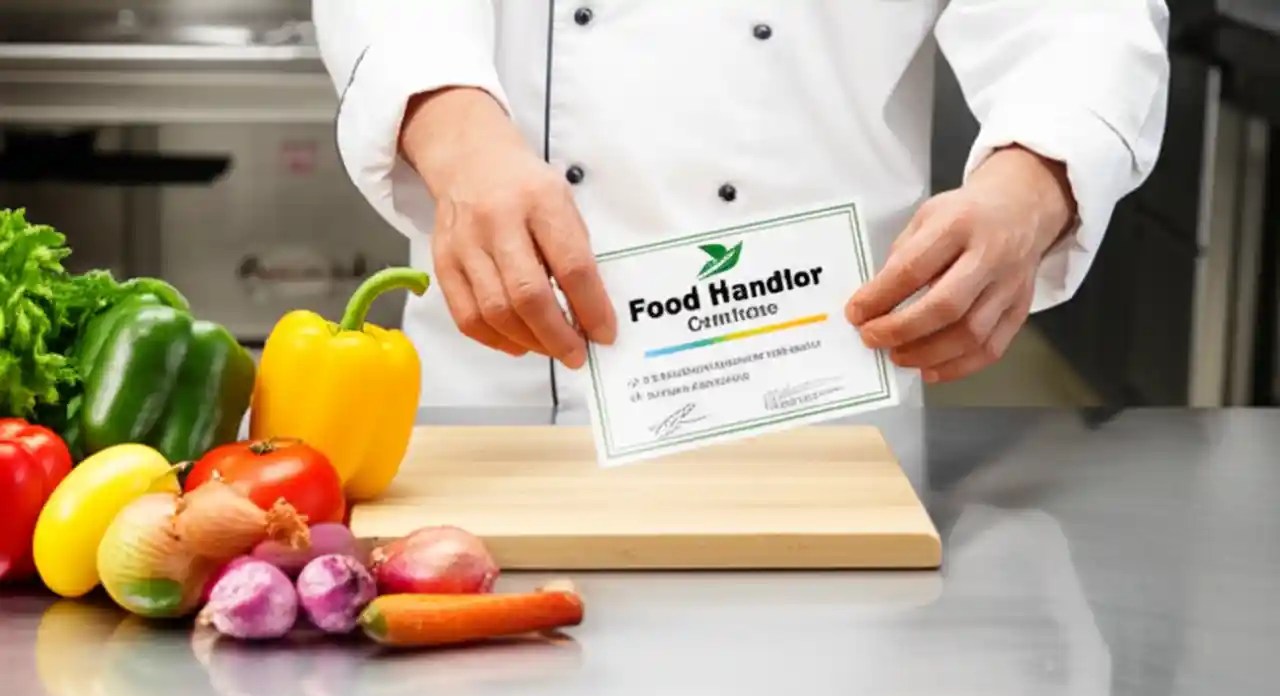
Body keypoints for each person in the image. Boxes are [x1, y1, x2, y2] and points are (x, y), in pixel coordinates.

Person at [312, 2, 1169, 412]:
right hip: (495, 405)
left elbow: (1083, 19)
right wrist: (462, 139)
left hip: (817, 408)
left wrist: (1027, 190)